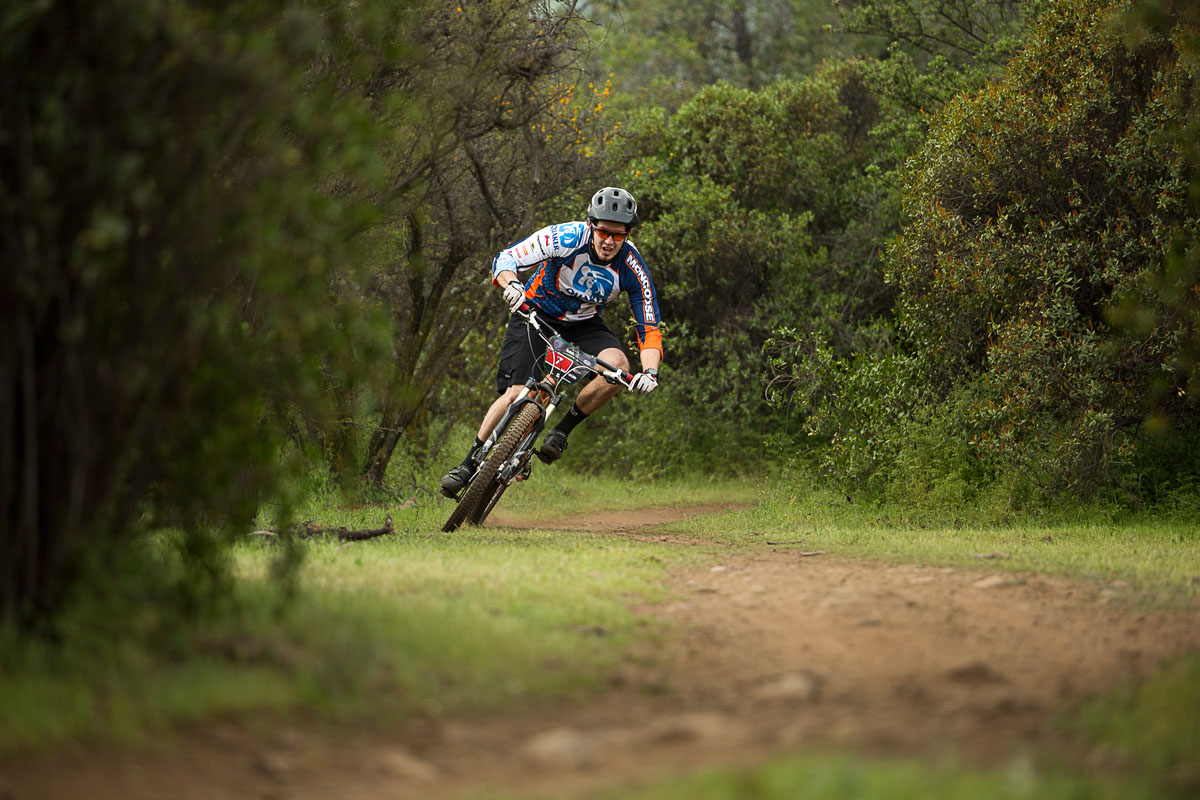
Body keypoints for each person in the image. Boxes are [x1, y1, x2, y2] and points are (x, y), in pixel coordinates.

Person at [440, 186, 663, 497]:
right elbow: (506, 259)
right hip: (535, 312)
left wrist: (649, 373)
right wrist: (512, 285)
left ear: (627, 234)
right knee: (517, 393)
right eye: (603, 233)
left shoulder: (631, 265)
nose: (610, 241)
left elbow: (648, 325)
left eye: (618, 235)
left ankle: (560, 432)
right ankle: (468, 463)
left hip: (583, 324)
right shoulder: (566, 237)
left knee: (618, 367)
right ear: (591, 226)